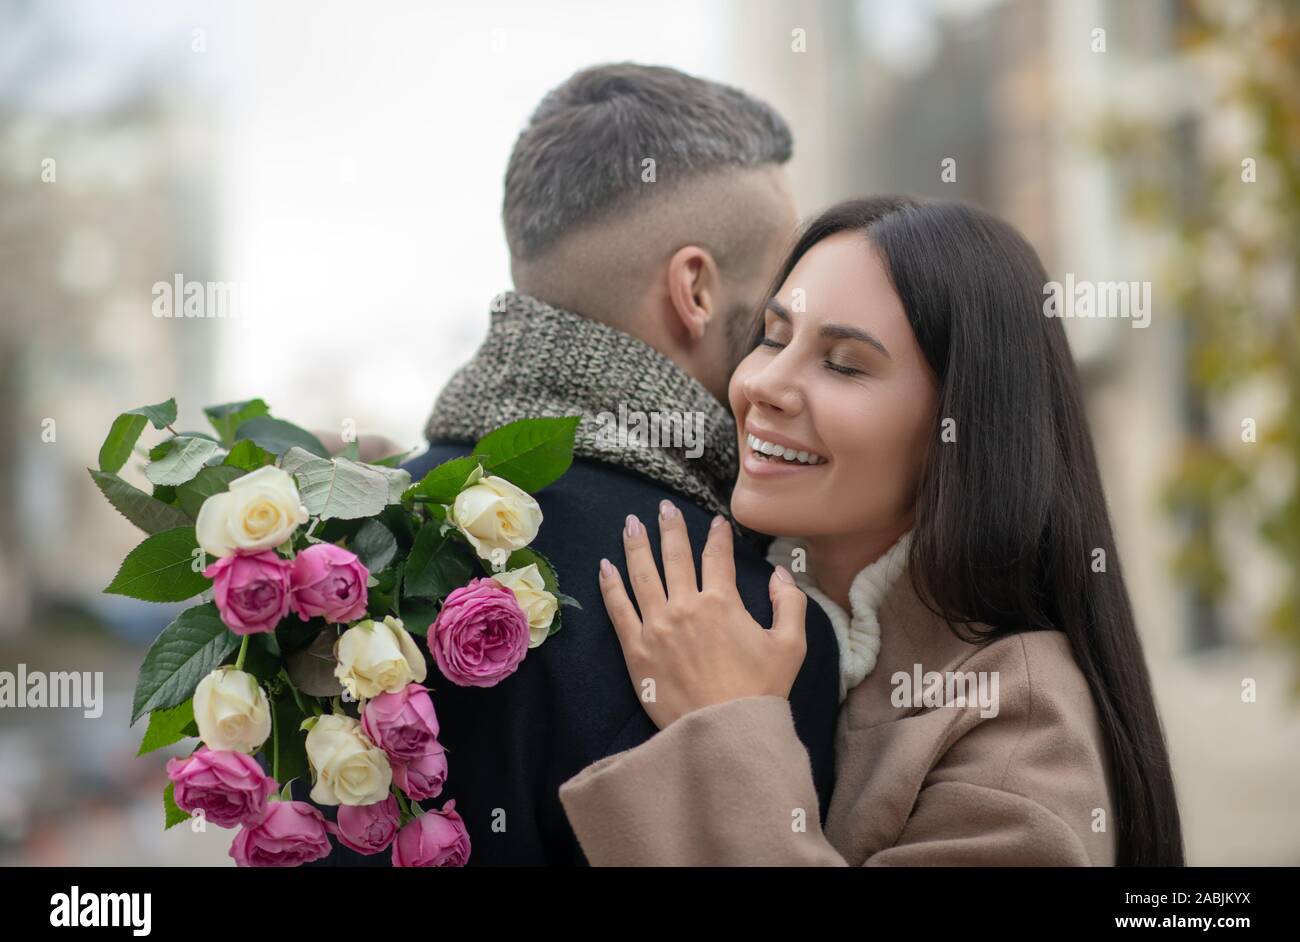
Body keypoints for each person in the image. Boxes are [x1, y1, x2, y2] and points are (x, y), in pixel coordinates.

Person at [303, 63, 843, 865]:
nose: (787, 334)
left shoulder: (331, 561)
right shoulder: (752, 628)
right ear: (694, 288)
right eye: (775, 304)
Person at [560, 196, 1186, 866]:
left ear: (961, 430)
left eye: (845, 363)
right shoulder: (714, 601)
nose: (765, 383)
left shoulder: (1021, 717)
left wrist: (725, 722)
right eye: (773, 336)